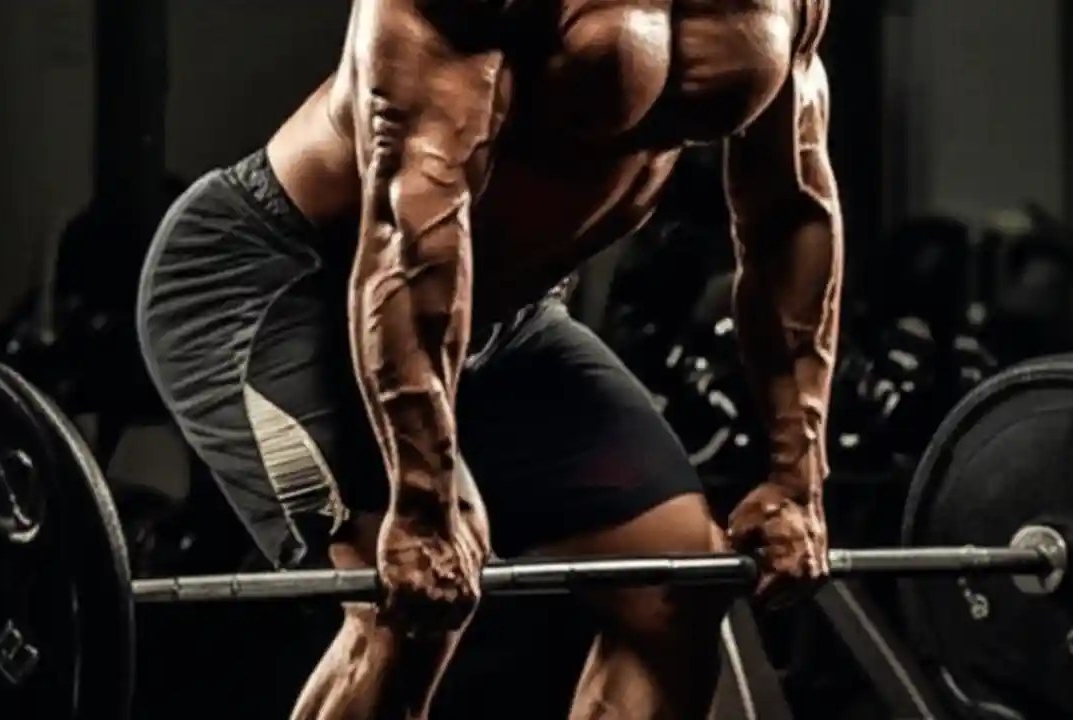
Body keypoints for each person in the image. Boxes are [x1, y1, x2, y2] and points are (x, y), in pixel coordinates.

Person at [136, 0, 842, 717]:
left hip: (504, 316)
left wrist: (798, 481)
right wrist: (421, 500)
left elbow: (791, 215)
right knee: (406, 611)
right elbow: (411, 231)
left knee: (681, 585)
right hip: (286, 284)